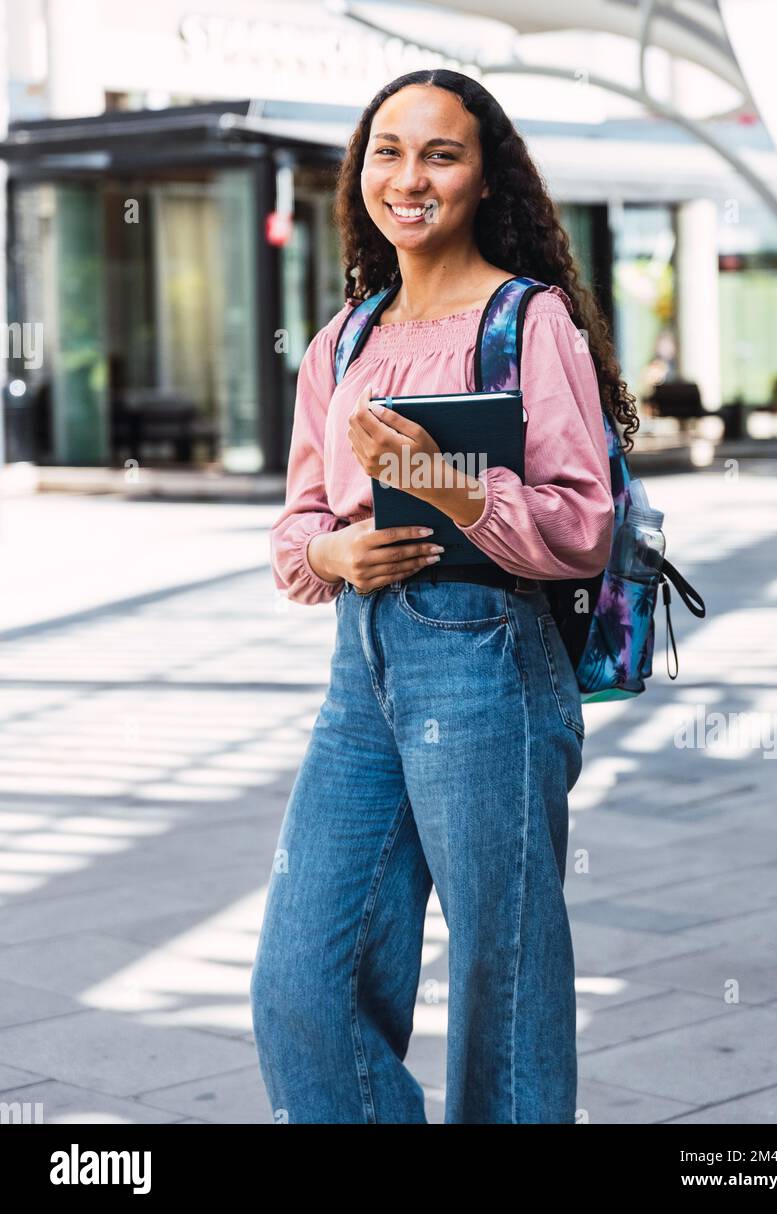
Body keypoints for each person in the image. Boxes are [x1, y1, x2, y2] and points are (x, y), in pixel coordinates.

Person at [250, 68, 638, 1125]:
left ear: (482, 178)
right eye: (387, 150)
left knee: (500, 982)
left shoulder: (529, 318)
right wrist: (329, 558)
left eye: (440, 153)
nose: (407, 176)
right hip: (359, 673)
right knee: (300, 983)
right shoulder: (344, 338)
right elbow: (296, 518)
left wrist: (442, 484)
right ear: (360, 170)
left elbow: (581, 520)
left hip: (489, 664)